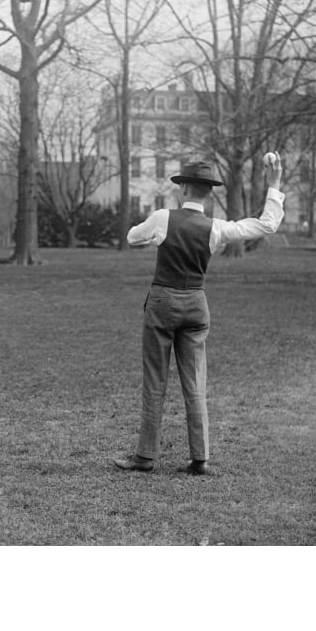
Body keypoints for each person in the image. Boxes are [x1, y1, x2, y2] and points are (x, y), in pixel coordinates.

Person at [114, 156, 285, 474]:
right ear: (207, 193)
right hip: (196, 303)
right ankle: (200, 458)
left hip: (163, 301)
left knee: (155, 380)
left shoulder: (163, 217)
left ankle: (145, 456)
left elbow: (132, 237)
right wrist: (273, 185)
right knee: (195, 383)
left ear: (184, 189)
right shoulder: (216, 228)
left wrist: (153, 238)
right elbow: (267, 225)